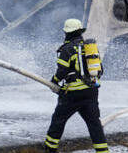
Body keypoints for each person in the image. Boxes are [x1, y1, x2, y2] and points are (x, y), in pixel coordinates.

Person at [43, 19, 109, 153]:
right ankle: (103, 151)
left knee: (58, 120)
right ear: (80, 32)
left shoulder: (67, 49)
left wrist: (54, 81)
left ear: (67, 33)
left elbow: (62, 71)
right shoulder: (89, 47)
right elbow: (99, 70)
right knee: (94, 124)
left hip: (73, 94)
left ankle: (50, 149)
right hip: (91, 92)